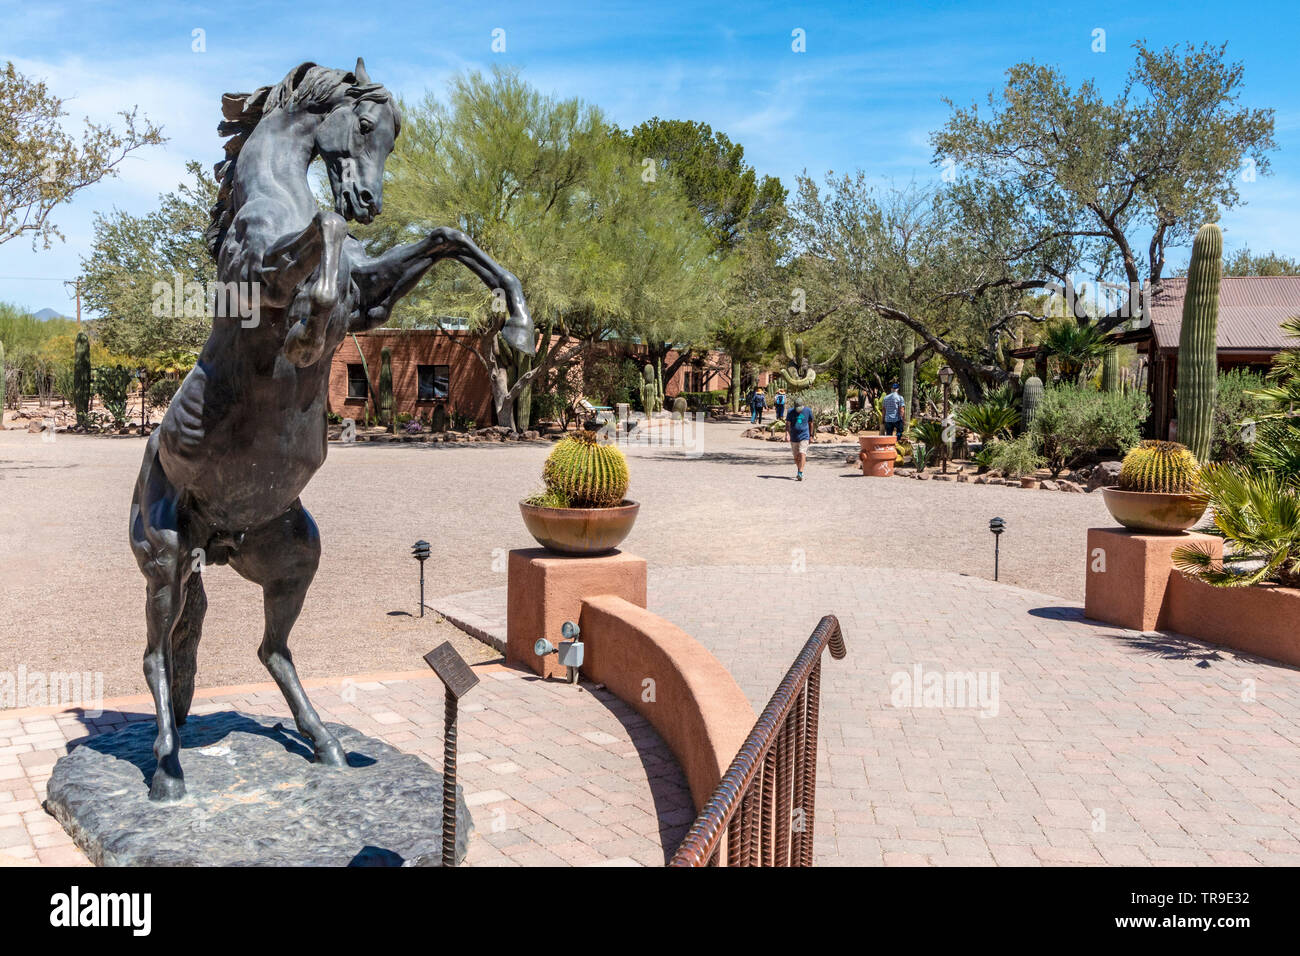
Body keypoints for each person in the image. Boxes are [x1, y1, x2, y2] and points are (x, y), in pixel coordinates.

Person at [786, 396, 814, 481]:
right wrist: (787, 434)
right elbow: (788, 423)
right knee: (796, 456)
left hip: (804, 435)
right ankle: (799, 469)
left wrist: (811, 435)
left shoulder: (808, 411)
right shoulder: (790, 411)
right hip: (794, 436)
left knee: (802, 453)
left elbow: (811, 423)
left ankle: (800, 473)